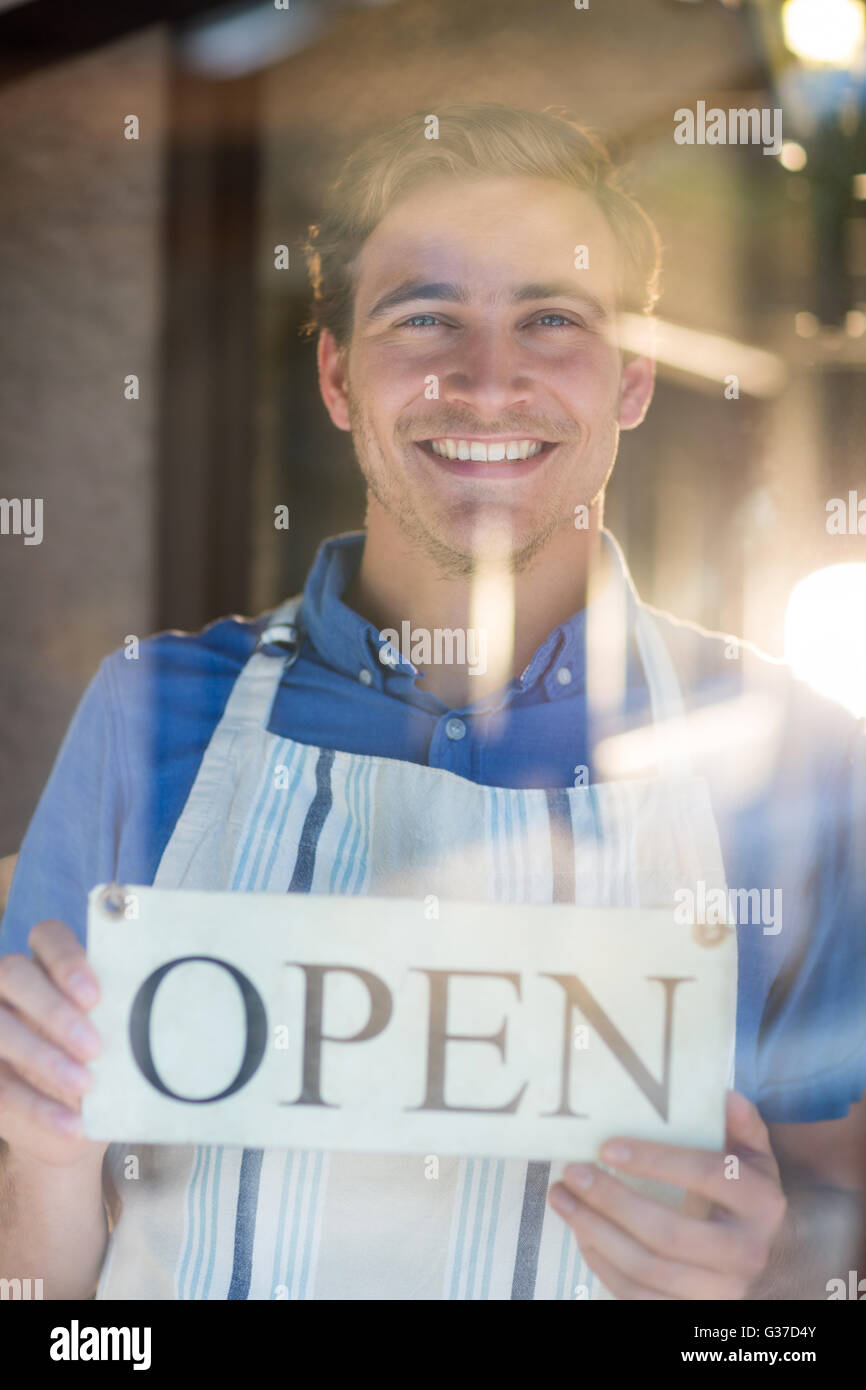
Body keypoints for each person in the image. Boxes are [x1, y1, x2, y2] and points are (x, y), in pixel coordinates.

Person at [1, 103, 864, 1302]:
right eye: (424, 318)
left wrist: (770, 1273)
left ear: (630, 380)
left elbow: (840, 1219)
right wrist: (42, 1159)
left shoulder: (805, 757)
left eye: (549, 319)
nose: (486, 380)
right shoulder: (147, 712)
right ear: (338, 376)